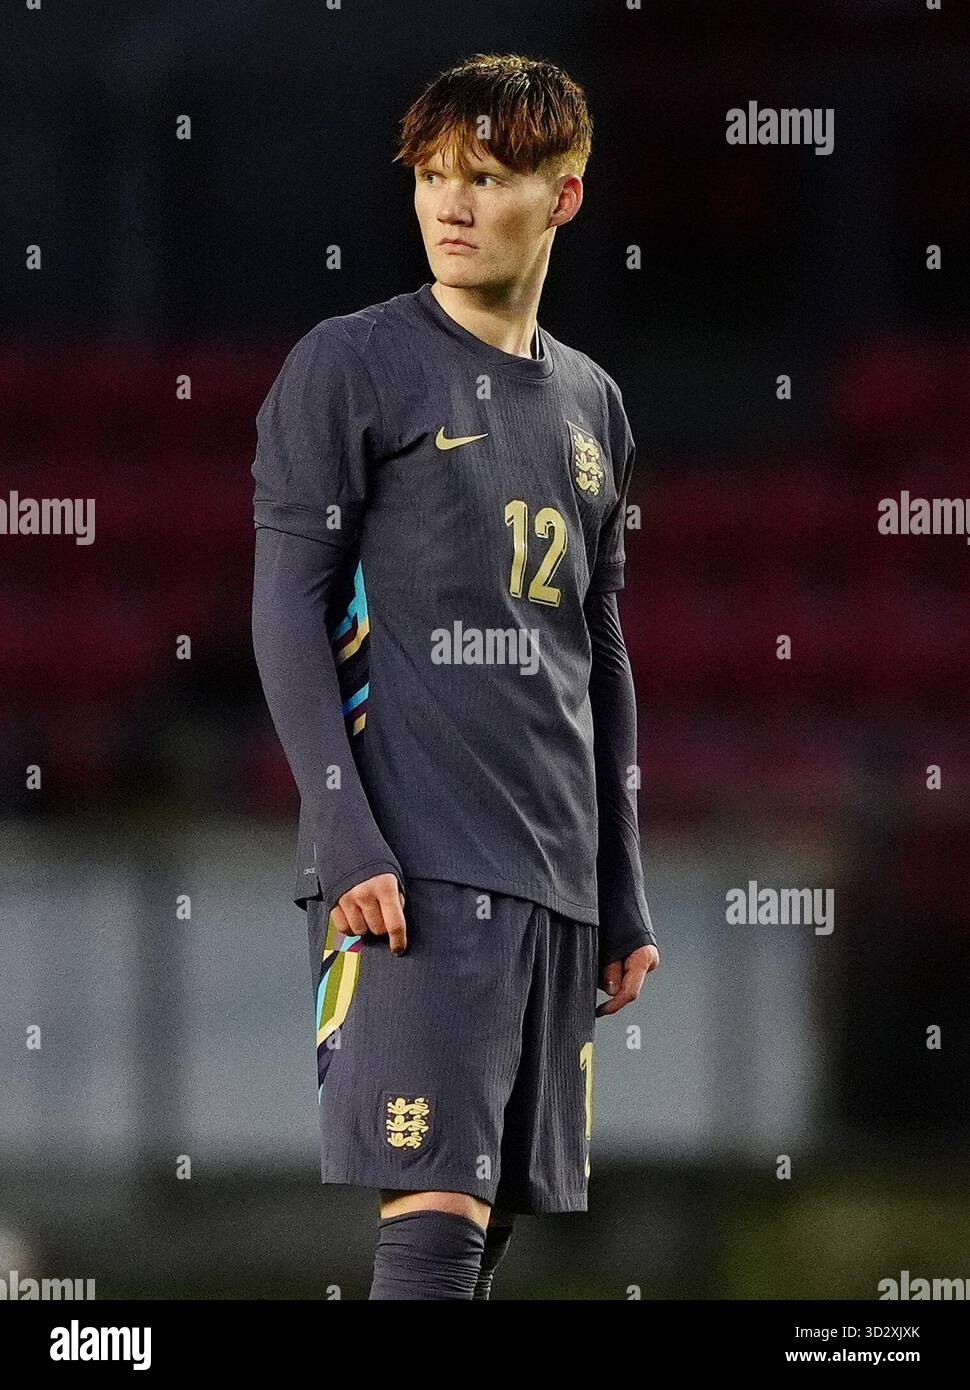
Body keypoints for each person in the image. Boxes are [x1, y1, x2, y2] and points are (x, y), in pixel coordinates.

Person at [251, 52, 660, 1301]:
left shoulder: (594, 403)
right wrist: (342, 831)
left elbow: (595, 647)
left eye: (484, 177)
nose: (450, 203)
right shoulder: (350, 363)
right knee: (430, 1222)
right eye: (432, 176)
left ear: (565, 196)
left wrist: (621, 888)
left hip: (553, 880)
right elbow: (287, 605)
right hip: (411, 865)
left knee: (481, 1237)